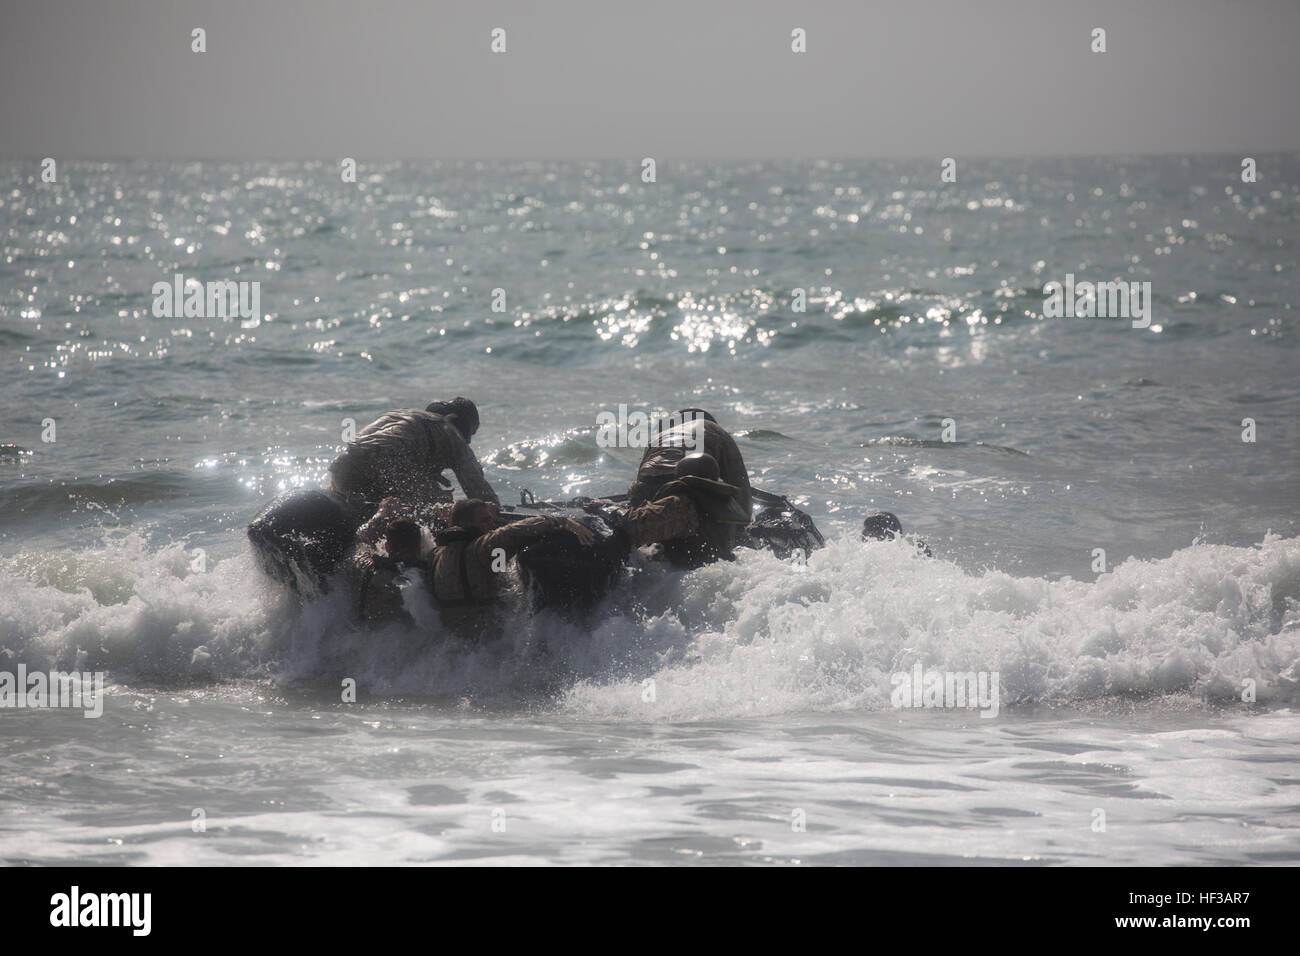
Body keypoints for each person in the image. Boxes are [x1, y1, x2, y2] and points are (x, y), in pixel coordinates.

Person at [429, 498, 594, 630]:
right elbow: (514, 531)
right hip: (492, 633)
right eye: (485, 520)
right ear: (465, 524)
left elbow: (498, 567)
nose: (491, 525)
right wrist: (564, 521)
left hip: (459, 638)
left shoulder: (437, 555)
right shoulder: (484, 548)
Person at [327, 397, 499, 511]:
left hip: (344, 464)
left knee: (358, 509)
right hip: (391, 462)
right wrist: (494, 511)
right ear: (466, 426)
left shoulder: (402, 415)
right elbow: (478, 489)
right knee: (436, 510)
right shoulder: (451, 433)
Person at [623, 452, 751, 568]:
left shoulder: (681, 503)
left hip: (679, 577)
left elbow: (636, 526)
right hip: (716, 570)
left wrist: (612, 509)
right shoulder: (723, 502)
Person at [627, 409, 752, 519]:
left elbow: (641, 479)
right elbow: (741, 489)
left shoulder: (655, 439)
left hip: (647, 489)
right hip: (686, 485)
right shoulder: (715, 430)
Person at [345, 497, 431, 624]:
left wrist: (381, 513)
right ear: (420, 547)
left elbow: (360, 539)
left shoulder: (369, 569)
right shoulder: (430, 574)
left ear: (387, 547)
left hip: (367, 637)